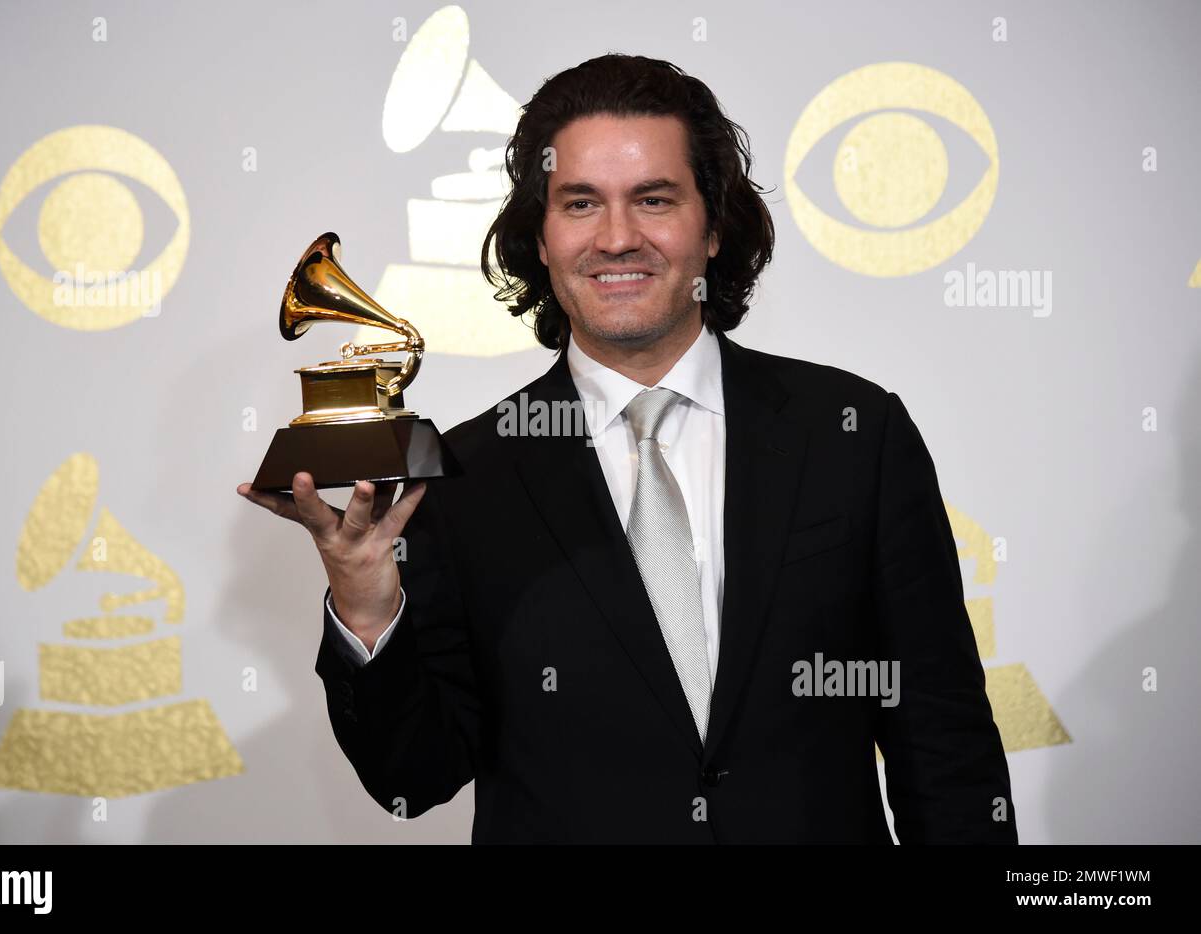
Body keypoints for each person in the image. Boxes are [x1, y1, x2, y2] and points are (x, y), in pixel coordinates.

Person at [238, 54, 1017, 844]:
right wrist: (368, 608)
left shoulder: (854, 431)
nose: (617, 238)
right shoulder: (463, 475)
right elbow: (415, 775)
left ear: (712, 227)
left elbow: (943, 745)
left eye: (654, 199)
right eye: (581, 203)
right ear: (539, 240)